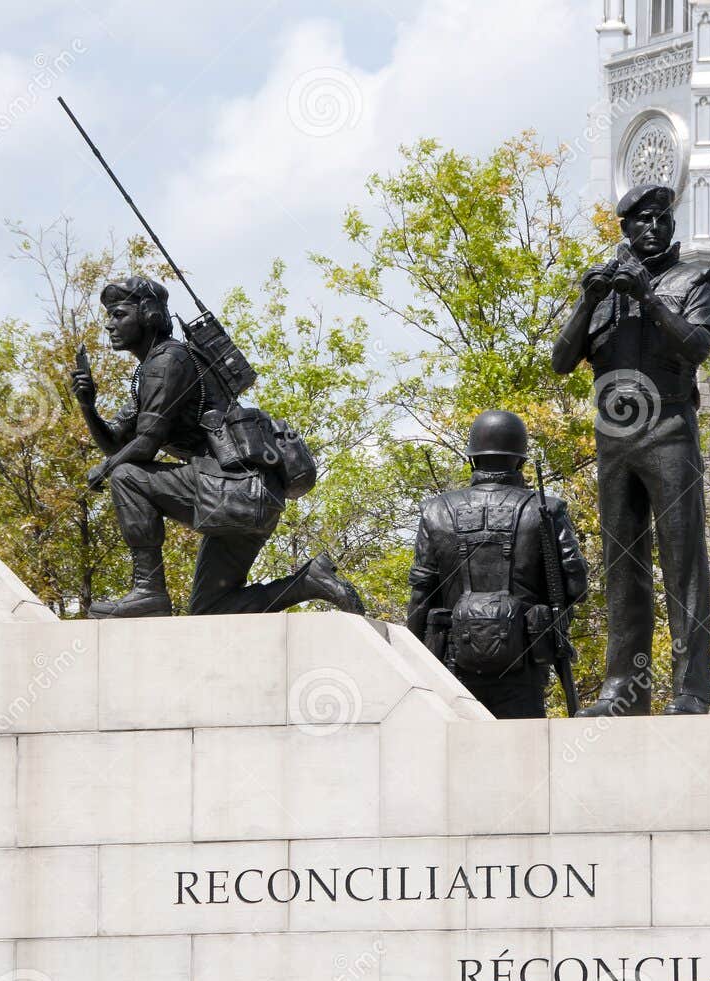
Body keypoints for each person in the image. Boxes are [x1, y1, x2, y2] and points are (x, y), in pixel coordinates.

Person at [70, 275, 364, 618]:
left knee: (126, 476)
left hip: (232, 490)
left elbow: (144, 445)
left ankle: (148, 591)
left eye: (119, 314)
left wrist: (106, 469)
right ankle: (308, 582)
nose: (110, 325)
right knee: (212, 609)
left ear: (148, 313)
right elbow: (117, 442)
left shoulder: (168, 362)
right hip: (250, 496)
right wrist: (88, 406)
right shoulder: (155, 370)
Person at [551, 183, 710, 716]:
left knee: (682, 562)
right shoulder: (604, 291)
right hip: (614, 437)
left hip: (669, 426)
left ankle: (691, 691)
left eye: (663, 219)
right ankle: (622, 692)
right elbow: (560, 362)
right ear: (625, 229)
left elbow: (696, 346)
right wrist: (588, 300)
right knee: (621, 565)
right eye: (643, 221)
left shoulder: (695, 281)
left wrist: (648, 297)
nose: (654, 228)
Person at [406, 411, 588, 719]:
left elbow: (421, 594)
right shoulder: (546, 509)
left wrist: (412, 659)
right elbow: (577, 586)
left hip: (452, 663)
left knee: (455, 756)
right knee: (524, 756)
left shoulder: (435, 511)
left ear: (472, 459)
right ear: (520, 459)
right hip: (525, 664)